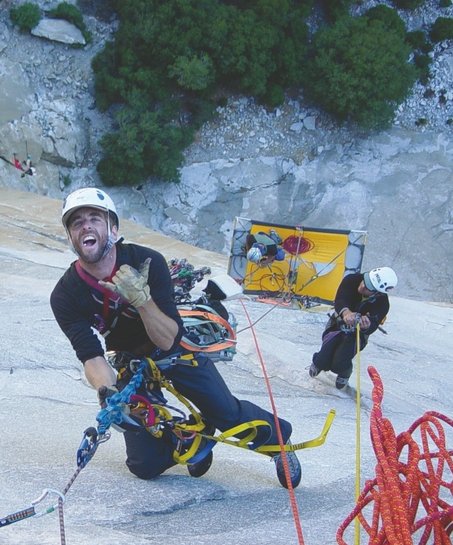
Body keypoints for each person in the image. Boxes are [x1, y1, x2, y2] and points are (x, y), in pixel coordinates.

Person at [50, 188, 301, 488]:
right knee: (145, 465)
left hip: (173, 349)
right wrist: (109, 393)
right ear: (70, 237)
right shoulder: (65, 295)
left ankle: (279, 442)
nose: (86, 226)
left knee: (226, 413)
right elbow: (91, 355)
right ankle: (189, 439)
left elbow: (169, 338)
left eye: (94, 218)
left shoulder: (148, 262)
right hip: (131, 362)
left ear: (113, 229)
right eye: (76, 223)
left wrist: (142, 300)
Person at [309, 267, 397, 389]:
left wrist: (366, 325)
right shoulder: (352, 280)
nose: (362, 286)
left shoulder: (382, 304)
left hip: (357, 334)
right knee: (325, 352)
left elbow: (374, 323)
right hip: (338, 324)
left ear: (378, 293)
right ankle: (319, 363)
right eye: (365, 281)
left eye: (368, 288)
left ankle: (344, 372)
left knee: (341, 359)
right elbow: (341, 298)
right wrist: (346, 313)